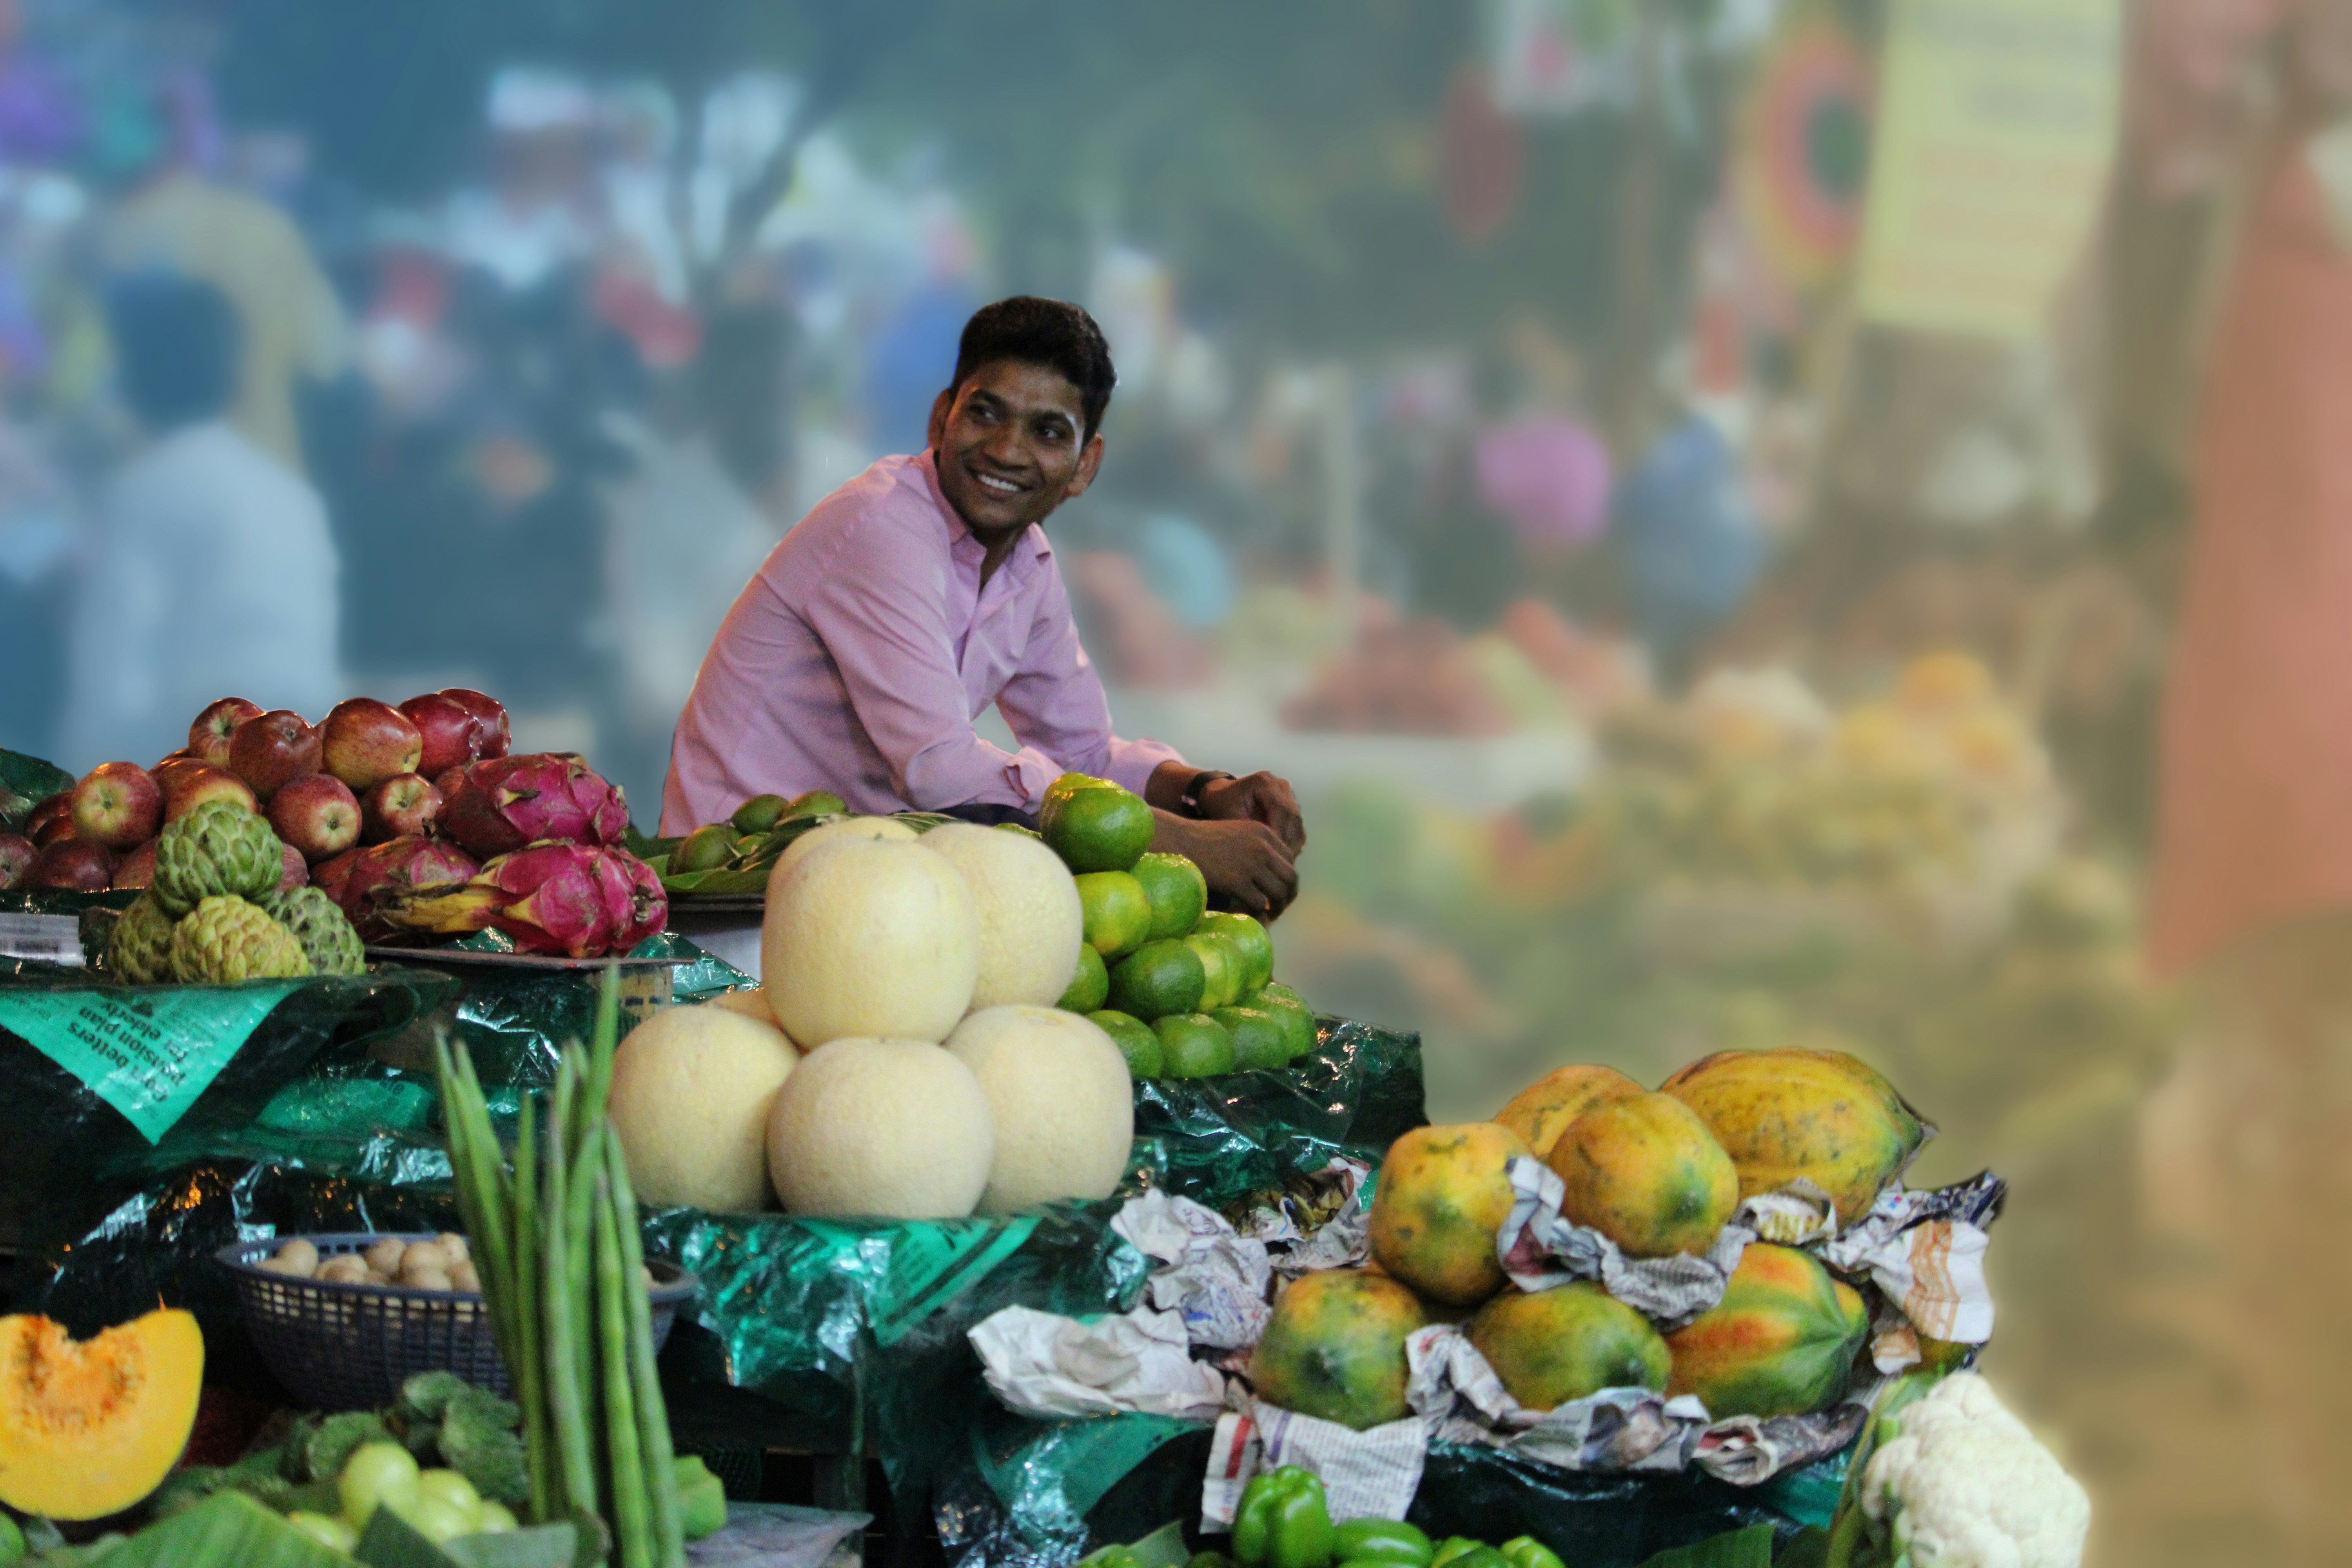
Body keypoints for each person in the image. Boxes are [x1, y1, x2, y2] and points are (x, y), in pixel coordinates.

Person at [663, 296, 1304, 915]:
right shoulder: (882, 527)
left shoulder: (1027, 561)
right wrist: (1188, 843)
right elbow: (937, 771)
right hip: (730, 905)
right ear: (942, 419)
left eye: (1048, 431)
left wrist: (1203, 791)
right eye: (986, 414)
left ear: (1085, 466)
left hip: (846, 895)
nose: (1007, 450)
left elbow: (1082, 755)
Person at [61, 276, 340, 769]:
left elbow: (115, 670)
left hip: (189, 759)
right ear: (233, 376)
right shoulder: (287, 490)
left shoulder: (143, 492)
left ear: (131, 378)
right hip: (305, 753)